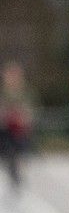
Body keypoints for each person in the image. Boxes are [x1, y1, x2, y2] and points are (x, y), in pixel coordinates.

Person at [0, 60, 36, 189]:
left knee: (21, 154)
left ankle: (18, 174)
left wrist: (24, 116)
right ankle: (13, 175)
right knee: (9, 155)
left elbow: (31, 109)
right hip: (6, 130)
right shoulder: (4, 92)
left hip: (20, 130)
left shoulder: (25, 92)